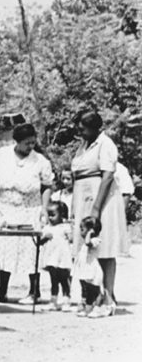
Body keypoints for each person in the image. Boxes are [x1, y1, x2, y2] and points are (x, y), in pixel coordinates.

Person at [0, 122, 53, 304]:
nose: (30, 146)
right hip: (4, 207)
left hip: (29, 208)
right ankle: (2, 290)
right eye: (27, 143)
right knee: (4, 249)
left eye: (33, 143)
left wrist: (44, 210)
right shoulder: (0, 155)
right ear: (17, 141)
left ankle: (34, 291)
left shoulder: (40, 161)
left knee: (30, 249)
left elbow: (47, 186)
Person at [70, 112, 127, 317]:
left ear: (94, 128)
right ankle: (91, 297)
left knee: (104, 248)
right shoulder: (83, 146)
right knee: (85, 250)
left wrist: (96, 208)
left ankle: (108, 298)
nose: (80, 131)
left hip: (102, 200)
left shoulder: (105, 144)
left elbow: (108, 176)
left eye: (83, 128)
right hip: (83, 197)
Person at [38, 201, 73, 311]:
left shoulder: (65, 227)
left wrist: (70, 234)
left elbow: (71, 239)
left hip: (63, 258)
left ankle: (66, 300)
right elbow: (39, 242)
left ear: (62, 215)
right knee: (53, 280)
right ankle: (53, 300)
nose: (50, 218)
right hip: (51, 258)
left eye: (53, 215)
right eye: (49, 215)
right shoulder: (47, 228)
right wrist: (45, 238)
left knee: (64, 280)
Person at [71, 215, 105, 317]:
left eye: (82, 229)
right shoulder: (85, 243)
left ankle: (94, 307)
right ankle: (86, 306)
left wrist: (89, 234)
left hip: (92, 269)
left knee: (92, 289)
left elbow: (87, 243)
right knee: (85, 288)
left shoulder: (95, 241)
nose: (81, 232)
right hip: (85, 269)